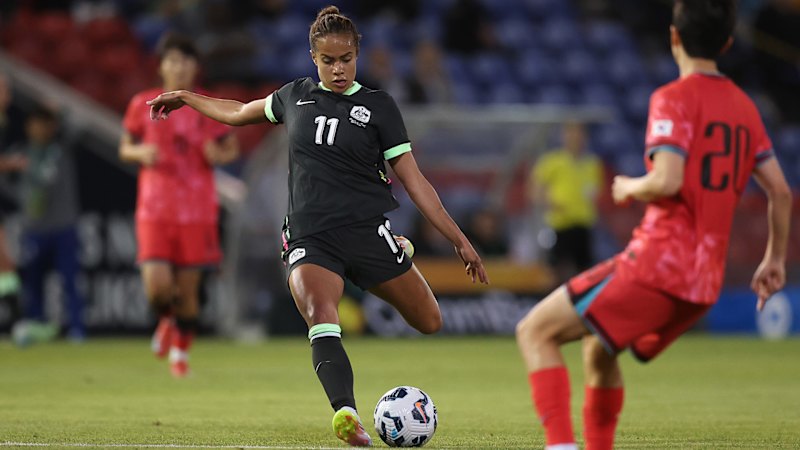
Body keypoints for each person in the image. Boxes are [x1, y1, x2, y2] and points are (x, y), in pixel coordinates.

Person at [146, 6, 488, 446]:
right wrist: (188, 97)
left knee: (430, 321)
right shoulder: (294, 96)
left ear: (357, 54)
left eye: (346, 58)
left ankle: (399, 247)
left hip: (366, 232)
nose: (338, 68)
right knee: (322, 316)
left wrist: (460, 241)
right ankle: (346, 413)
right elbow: (237, 111)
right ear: (313, 57)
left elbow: (415, 181)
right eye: (328, 60)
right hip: (311, 235)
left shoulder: (379, 107)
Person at [515, 2, 792, 449]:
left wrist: (629, 188)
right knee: (600, 349)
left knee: (534, 331)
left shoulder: (673, 98)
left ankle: (559, 446)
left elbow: (667, 179)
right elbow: (779, 191)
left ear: (674, 37)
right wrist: (774, 259)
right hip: (704, 282)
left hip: (658, 265)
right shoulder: (745, 107)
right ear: (726, 43)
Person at [119, 33, 240, 378]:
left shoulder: (207, 105)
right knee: (157, 290)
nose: (179, 67)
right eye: (172, 60)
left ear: (195, 67)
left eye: (186, 61)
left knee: (188, 292)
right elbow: (125, 147)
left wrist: (218, 154)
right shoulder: (142, 103)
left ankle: (180, 354)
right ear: (160, 66)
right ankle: (166, 321)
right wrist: (140, 152)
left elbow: (230, 147)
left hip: (198, 212)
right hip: (155, 210)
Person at [14, 105, 85, 342]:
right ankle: (36, 325)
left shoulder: (62, 149)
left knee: (70, 281)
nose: (39, 129)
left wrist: (58, 112)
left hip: (64, 227)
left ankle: (77, 329)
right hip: (34, 229)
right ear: (27, 127)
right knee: (33, 282)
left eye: (44, 124)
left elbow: (80, 123)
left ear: (51, 126)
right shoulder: (21, 154)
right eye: (35, 124)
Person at [528, 122, 602, 283]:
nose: (575, 138)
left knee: (584, 270)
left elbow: (595, 192)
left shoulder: (592, 164)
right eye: (571, 133)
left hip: (583, 224)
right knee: (555, 269)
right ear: (564, 136)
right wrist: (551, 202)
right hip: (559, 224)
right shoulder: (552, 162)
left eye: (578, 134)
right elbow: (535, 189)